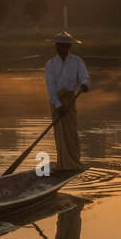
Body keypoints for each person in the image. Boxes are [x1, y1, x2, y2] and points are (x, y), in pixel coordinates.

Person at [45, 30, 90, 170]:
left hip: (70, 100)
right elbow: (51, 88)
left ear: (69, 47)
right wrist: (58, 105)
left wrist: (84, 85)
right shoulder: (50, 64)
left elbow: (85, 77)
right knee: (60, 134)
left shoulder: (77, 61)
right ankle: (63, 164)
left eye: (65, 46)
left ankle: (73, 163)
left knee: (71, 133)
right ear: (56, 47)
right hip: (56, 101)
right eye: (59, 46)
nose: (61, 48)